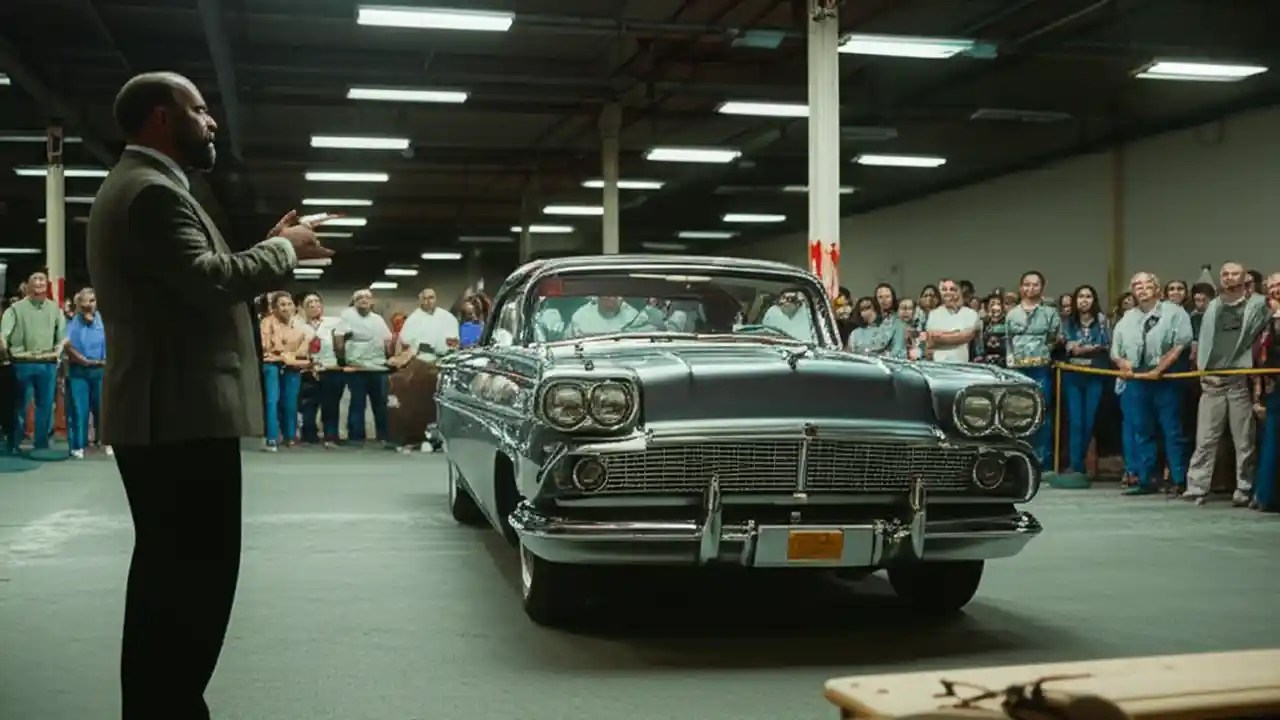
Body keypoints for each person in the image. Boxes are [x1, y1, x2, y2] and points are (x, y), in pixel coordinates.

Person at [86, 71, 332, 719]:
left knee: (169, 578)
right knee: (193, 582)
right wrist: (282, 251)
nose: (212, 120)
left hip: (168, 412)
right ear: (162, 119)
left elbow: (192, 279)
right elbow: (207, 280)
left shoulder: (148, 187)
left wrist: (266, 246)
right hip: (178, 415)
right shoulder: (152, 192)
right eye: (199, 110)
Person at [1183, 262, 1271, 505]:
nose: (1229, 278)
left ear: (1245, 279)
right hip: (1212, 379)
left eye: (1234, 274)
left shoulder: (1258, 305)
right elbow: (1204, 341)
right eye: (1225, 274)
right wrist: (1202, 371)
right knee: (1205, 438)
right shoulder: (1213, 306)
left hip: (1239, 379)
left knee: (1244, 440)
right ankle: (1197, 485)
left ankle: (1244, 487)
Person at [1110, 272, 1193, 496]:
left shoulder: (1174, 312)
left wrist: (1158, 370)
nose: (1142, 289)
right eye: (1137, 286)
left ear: (1157, 289)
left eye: (1147, 285)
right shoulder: (1127, 317)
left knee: (1172, 429)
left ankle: (1178, 479)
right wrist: (1123, 364)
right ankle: (1147, 479)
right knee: (1141, 429)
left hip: (1166, 378)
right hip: (1137, 379)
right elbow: (1116, 351)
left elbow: (1179, 345)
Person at [0, 269, 65, 453]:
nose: (39, 282)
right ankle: (15, 443)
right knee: (19, 405)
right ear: (27, 286)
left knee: (45, 406)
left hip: (47, 362)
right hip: (22, 363)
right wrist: (5, 350)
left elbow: (62, 335)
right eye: (35, 279)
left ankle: (42, 444)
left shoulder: (55, 309)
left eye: (42, 279)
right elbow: (3, 335)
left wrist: (58, 350)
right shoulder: (15, 309)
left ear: (46, 285)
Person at [63, 287, 108, 458]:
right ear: (79, 303)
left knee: (102, 408)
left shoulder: (104, 320)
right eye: (84, 301)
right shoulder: (73, 322)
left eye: (92, 300)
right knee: (79, 408)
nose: (88, 304)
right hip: (79, 371)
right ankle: (78, 445)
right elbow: (67, 345)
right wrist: (82, 359)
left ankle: (104, 442)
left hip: (101, 370)